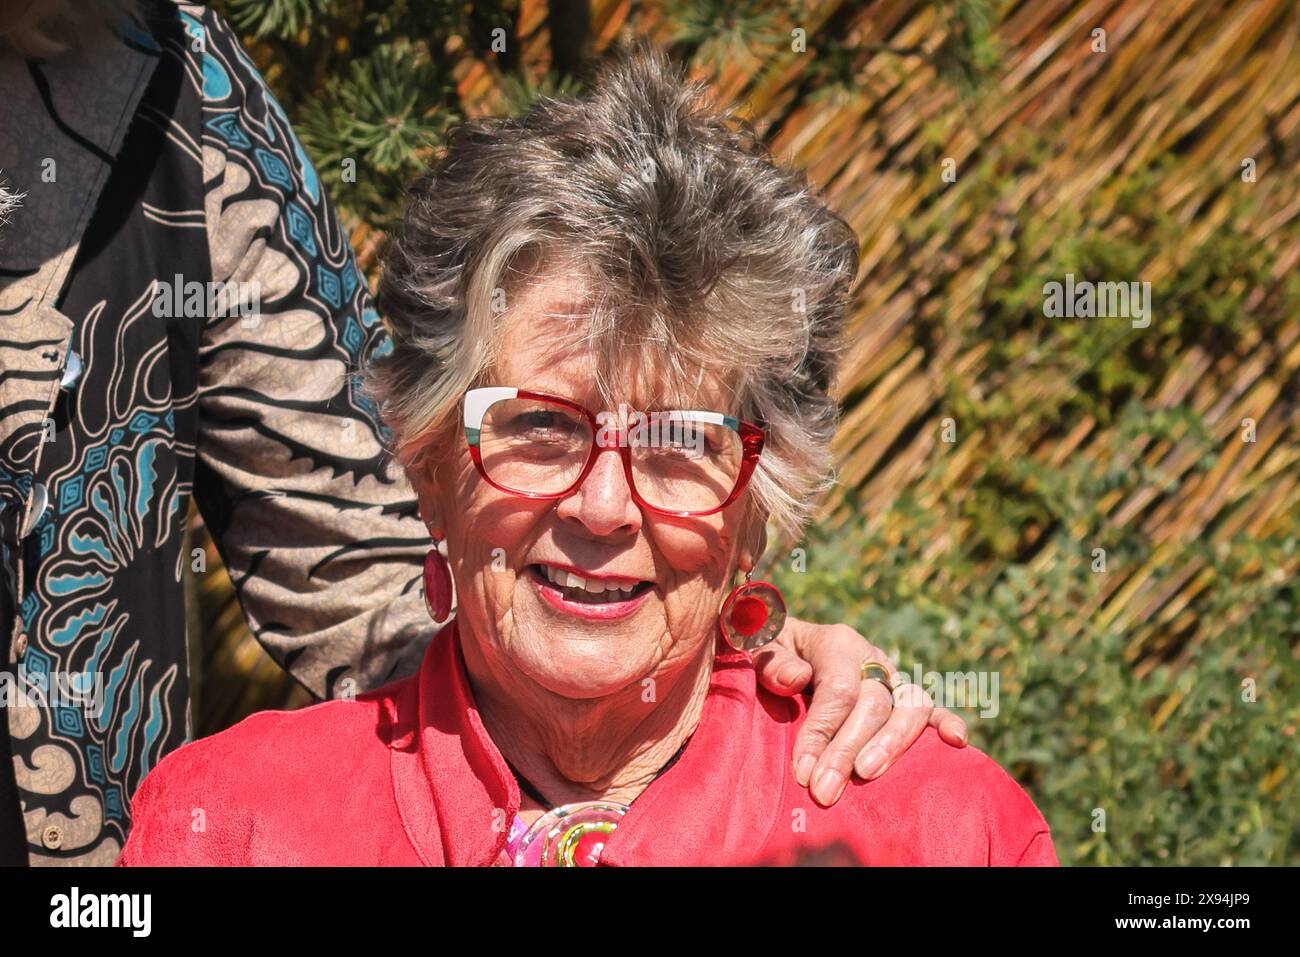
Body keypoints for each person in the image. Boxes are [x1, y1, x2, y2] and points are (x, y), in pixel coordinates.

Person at [0, 2, 966, 866]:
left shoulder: (170, 84)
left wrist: (737, 651)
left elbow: (361, 547)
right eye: (542, 427)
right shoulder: (226, 822)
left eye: (678, 444)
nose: (600, 502)